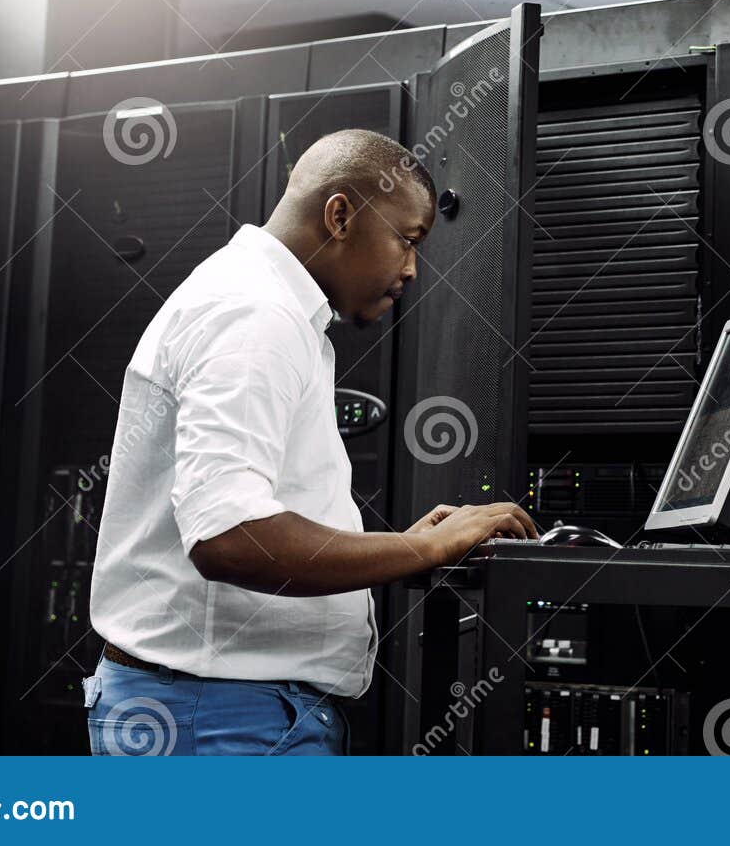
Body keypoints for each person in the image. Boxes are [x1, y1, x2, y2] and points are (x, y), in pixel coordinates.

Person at [83, 129, 537, 755]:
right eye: (407, 240)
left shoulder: (266, 307)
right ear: (341, 214)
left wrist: (410, 547)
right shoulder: (255, 315)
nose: (410, 269)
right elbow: (229, 537)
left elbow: (251, 516)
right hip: (217, 717)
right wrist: (420, 547)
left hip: (220, 712)